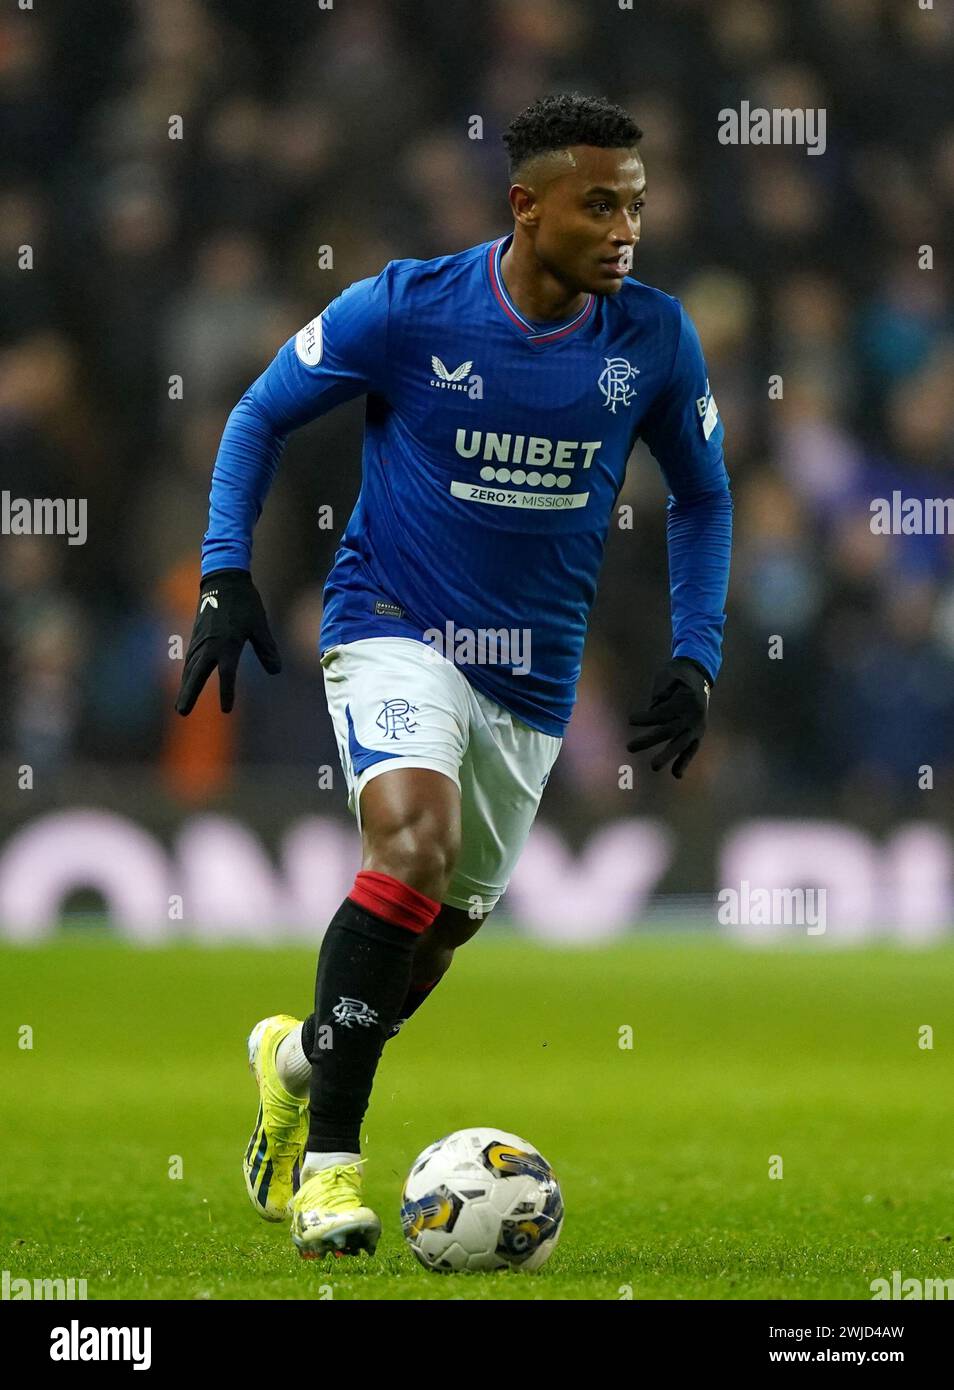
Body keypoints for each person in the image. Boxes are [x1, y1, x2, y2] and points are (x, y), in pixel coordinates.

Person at [175, 92, 732, 1259]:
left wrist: (697, 651)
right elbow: (258, 415)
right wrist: (224, 570)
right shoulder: (408, 307)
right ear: (526, 208)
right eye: (600, 205)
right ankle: (331, 1174)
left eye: (637, 204)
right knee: (409, 850)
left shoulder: (655, 339)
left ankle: (292, 1061)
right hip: (392, 622)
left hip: (531, 680)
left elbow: (704, 493)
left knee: (429, 937)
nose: (627, 229)